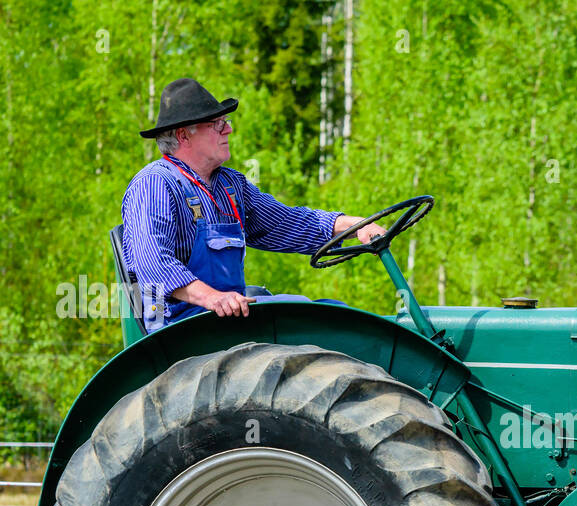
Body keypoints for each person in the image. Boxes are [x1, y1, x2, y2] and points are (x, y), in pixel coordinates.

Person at [122, 77, 384, 332]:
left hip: (227, 317)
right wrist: (213, 298)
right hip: (181, 326)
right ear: (183, 135)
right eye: (217, 124)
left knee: (334, 315)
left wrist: (355, 225)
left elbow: (288, 223)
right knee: (318, 325)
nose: (229, 129)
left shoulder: (230, 186)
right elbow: (152, 264)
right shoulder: (155, 184)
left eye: (226, 122)